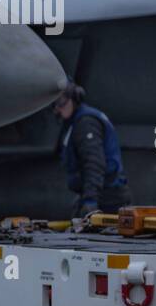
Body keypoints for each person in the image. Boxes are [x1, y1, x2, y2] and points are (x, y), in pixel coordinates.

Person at [53, 84, 131, 216]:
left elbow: (94, 163)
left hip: (108, 198)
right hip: (101, 193)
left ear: (74, 98)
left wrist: (90, 200)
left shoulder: (86, 123)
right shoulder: (77, 121)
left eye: (61, 103)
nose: (58, 109)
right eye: (54, 105)